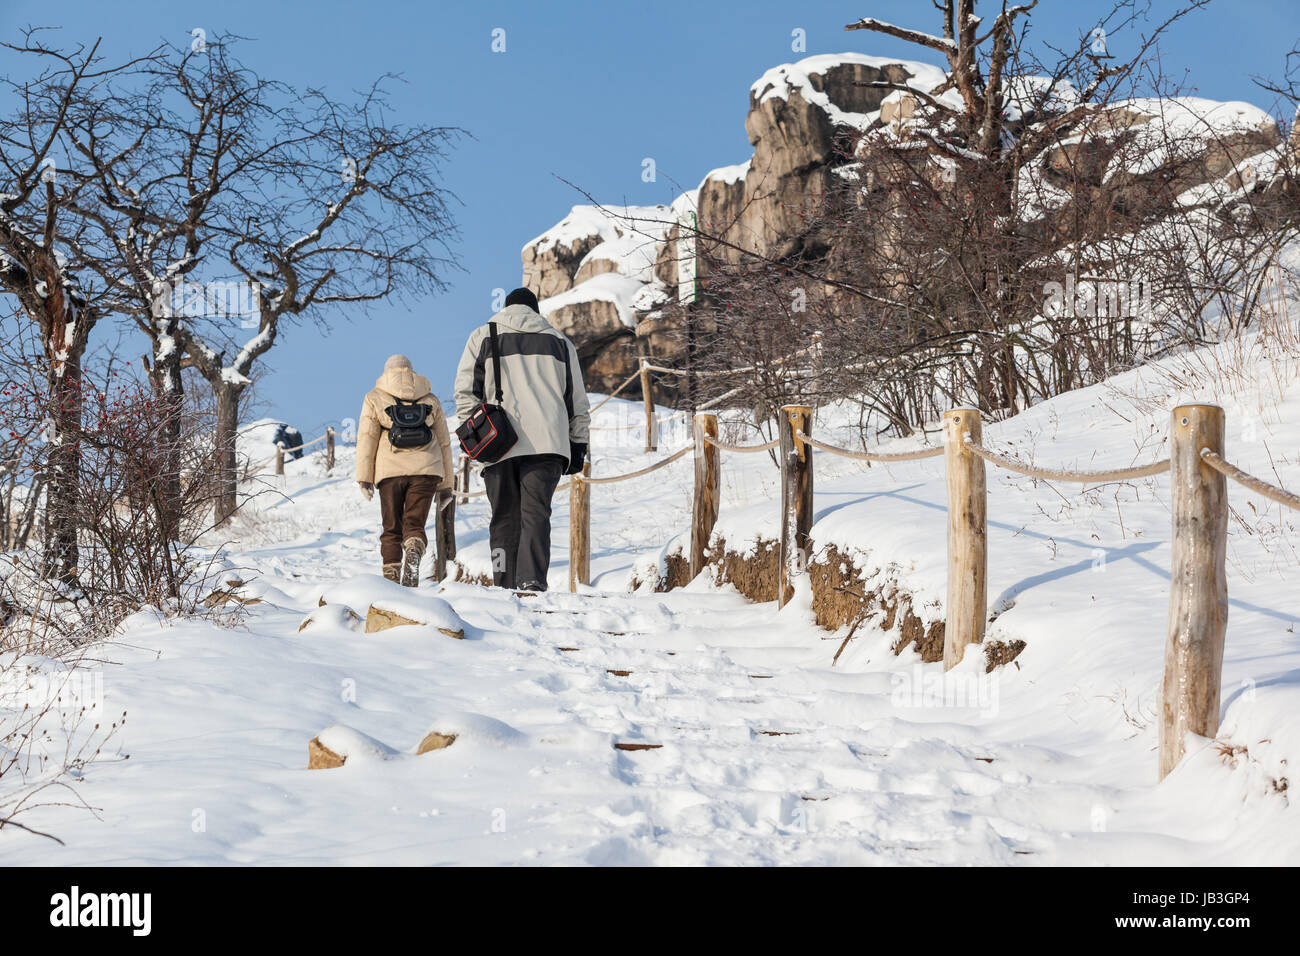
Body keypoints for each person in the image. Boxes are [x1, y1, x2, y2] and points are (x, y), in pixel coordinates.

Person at [453, 287, 589, 591]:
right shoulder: (560, 342)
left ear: (506, 308)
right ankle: (531, 582)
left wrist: (473, 430)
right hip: (548, 443)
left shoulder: (482, 336)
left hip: (498, 442)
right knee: (536, 515)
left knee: (503, 519)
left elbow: (464, 392)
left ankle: (503, 582)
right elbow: (577, 402)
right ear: (535, 311)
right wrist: (577, 445)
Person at [356, 354, 454, 586]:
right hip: (426, 470)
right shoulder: (430, 399)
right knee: (414, 524)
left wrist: (364, 478)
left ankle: (390, 577)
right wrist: (446, 485)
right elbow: (444, 443)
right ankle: (413, 548)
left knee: (391, 527)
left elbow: (367, 440)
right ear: (411, 372)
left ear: (386, 372)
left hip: (390, 472)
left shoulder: (374, 397)